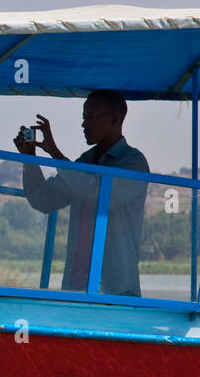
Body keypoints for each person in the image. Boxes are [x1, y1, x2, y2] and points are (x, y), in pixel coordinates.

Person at [13, 89, 149, 296]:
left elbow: (101, 195)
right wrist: (29, 159)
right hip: (76, 290)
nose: (84, 125)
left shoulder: (133, 163)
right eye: (83, 118)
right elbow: (43, 200)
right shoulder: (85, 163)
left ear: (115, 118)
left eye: (90, 118)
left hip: (116, 292)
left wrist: (55, 153)